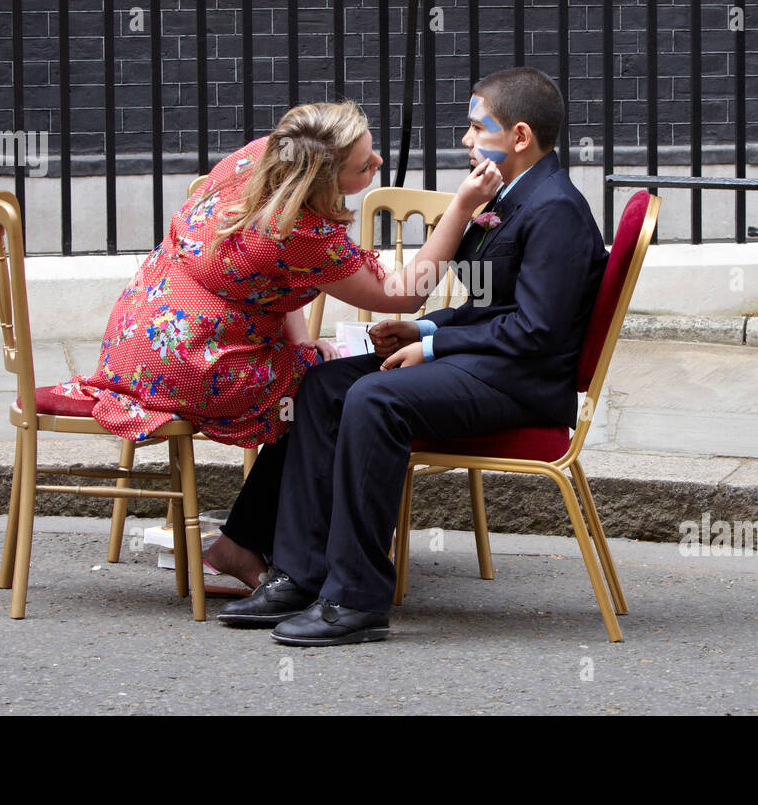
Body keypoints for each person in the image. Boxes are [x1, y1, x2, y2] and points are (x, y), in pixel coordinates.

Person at [213, 67, 608, 645]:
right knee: (322, 387)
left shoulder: (555, 210)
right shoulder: (512, 195)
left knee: (375, 399)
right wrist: (421, 324)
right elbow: (493, 308)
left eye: (478, 128)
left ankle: (356, 599)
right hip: (488, 363)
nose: (468, 140)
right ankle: (303, 573)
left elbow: (537, 332)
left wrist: (434, 345)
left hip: (520, 383)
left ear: (519, 136)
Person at [49, 101, 502, 584]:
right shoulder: (304, 235)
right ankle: (252, 545)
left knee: (320, 376)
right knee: (330, 395)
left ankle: (255, 539)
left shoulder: (264, 158)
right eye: (363, 165)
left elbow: (273, 279)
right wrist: (461, 206)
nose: (379, 166)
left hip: (138, 339)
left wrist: (304, 343)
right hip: (197, 363)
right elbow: (404, 293)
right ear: (320, 182)